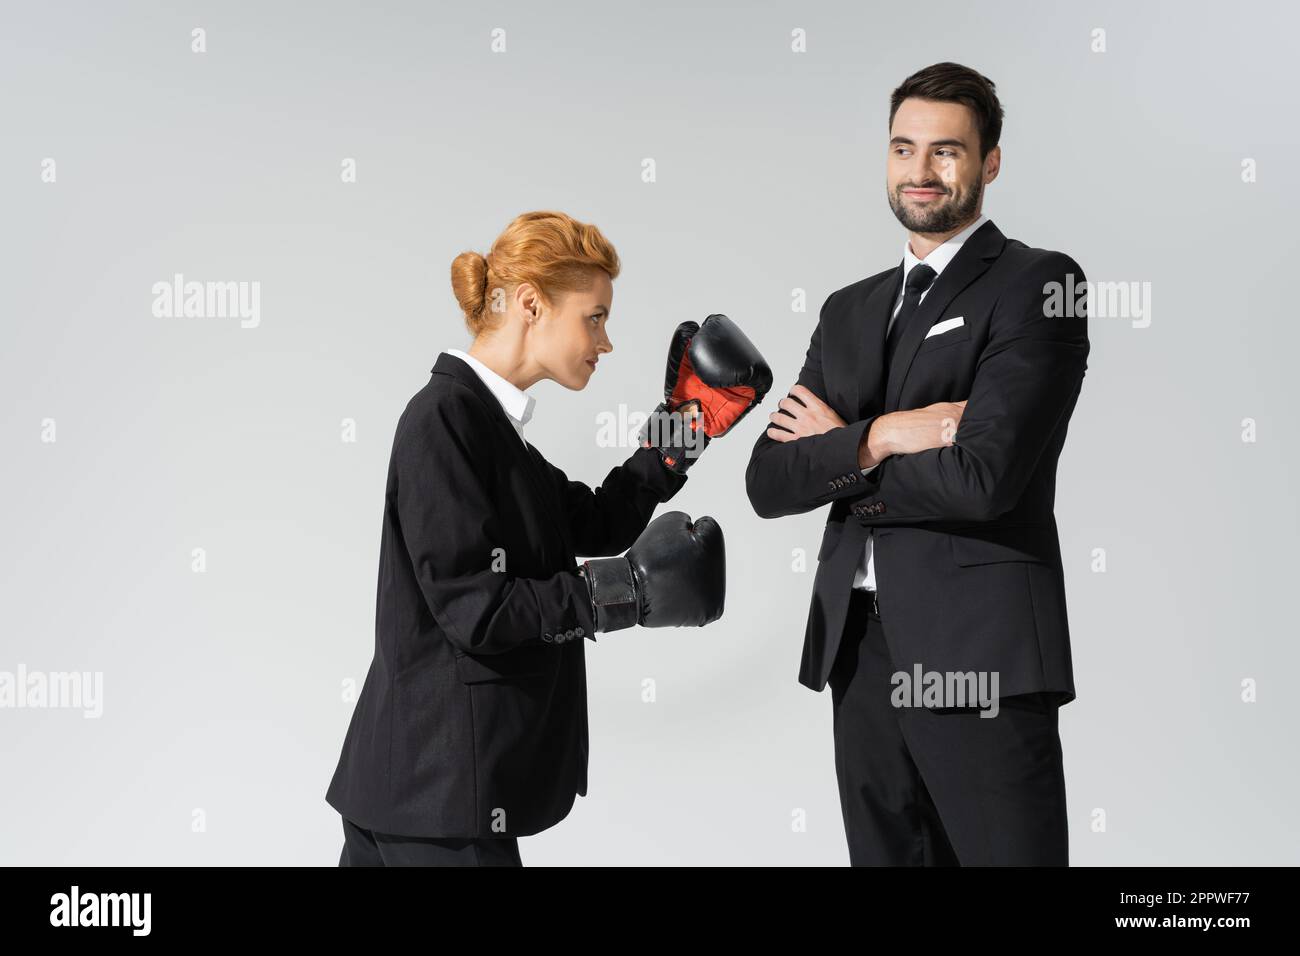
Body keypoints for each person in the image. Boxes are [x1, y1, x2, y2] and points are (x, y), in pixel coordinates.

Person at [326, 210, 770, 865]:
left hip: (423, 798)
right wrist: (627, 591)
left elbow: (597, 521)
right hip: (437, 799)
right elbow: (476, 610)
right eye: (595, 317)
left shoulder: (495, 435)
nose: (606, 341)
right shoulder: (443, 422)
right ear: (532, 304)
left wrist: (686, 426)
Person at [746, 63, 1090, 866]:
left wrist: (838, 452)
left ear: (990, 162)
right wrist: (887, 434)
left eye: (946, 152)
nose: (921, 171)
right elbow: (768, 481)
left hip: (982, 657)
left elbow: (983, 480)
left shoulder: (1040, 284)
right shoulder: (849, 308)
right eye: (904, 149)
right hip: (857, 652)